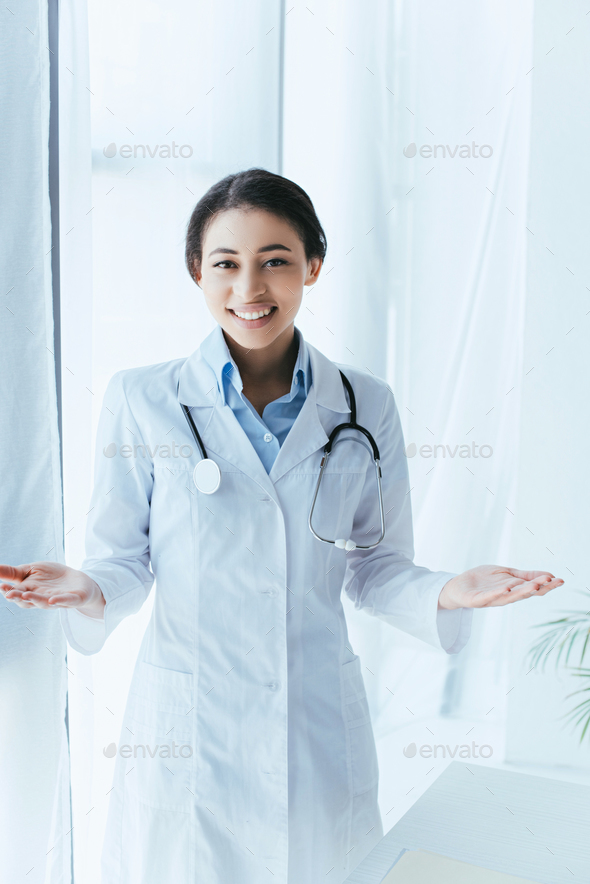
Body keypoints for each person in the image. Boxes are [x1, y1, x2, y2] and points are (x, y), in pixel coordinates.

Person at [0, 168, 563, 884]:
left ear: (312, 266)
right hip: (190, 728)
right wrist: (81, 586)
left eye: (275, 262)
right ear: (196, 273)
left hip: (313, 724)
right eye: (226, 265)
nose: (250, 289)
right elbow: (125, 560)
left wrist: (451, 590)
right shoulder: (142, 399)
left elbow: (376, 566)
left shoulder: (366, 404)